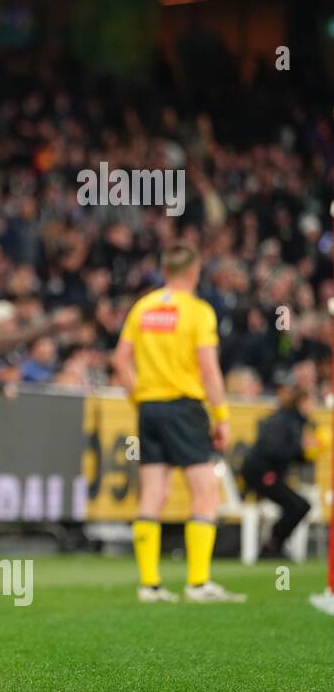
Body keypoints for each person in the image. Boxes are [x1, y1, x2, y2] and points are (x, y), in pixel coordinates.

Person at [112, 242, 244, 603]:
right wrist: (221, 415)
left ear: (165, 270)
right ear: (193, 272)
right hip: (184, 407)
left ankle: (149, 585)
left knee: (153, 493)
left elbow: (120, 360)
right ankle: (198, 583)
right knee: (205, 492)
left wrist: (138, 395)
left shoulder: (143, 307)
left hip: (150, 407)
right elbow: (209, 370)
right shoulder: (198, 311)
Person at [241, 385, 324, 559]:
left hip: (270, 473)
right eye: (310, 402)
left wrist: (311, 451)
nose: (313, 407)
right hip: (261, 472)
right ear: (301, 402)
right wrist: (301, 447)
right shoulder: (284, 420)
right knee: (298, 505)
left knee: (299, 505)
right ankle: (273, 544)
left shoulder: (296, 422)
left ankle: (274, 544)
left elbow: (292, 455)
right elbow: (273, 449)